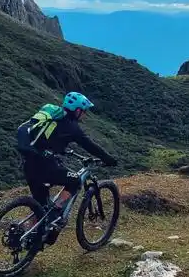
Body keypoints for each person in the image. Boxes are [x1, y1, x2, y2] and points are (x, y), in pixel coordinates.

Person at [16, 91, 117, 235]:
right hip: (45, 167)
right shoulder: (73, 128)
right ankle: (57, 209)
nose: (84, 114)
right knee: (75, 181)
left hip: (29, 164)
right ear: (77, 110)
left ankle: (29, 235)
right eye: (84, 111)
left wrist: (61, 150)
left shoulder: (52, 114)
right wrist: (108, 159)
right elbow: (90, 146)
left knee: (40, 205)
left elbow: (46, 138)